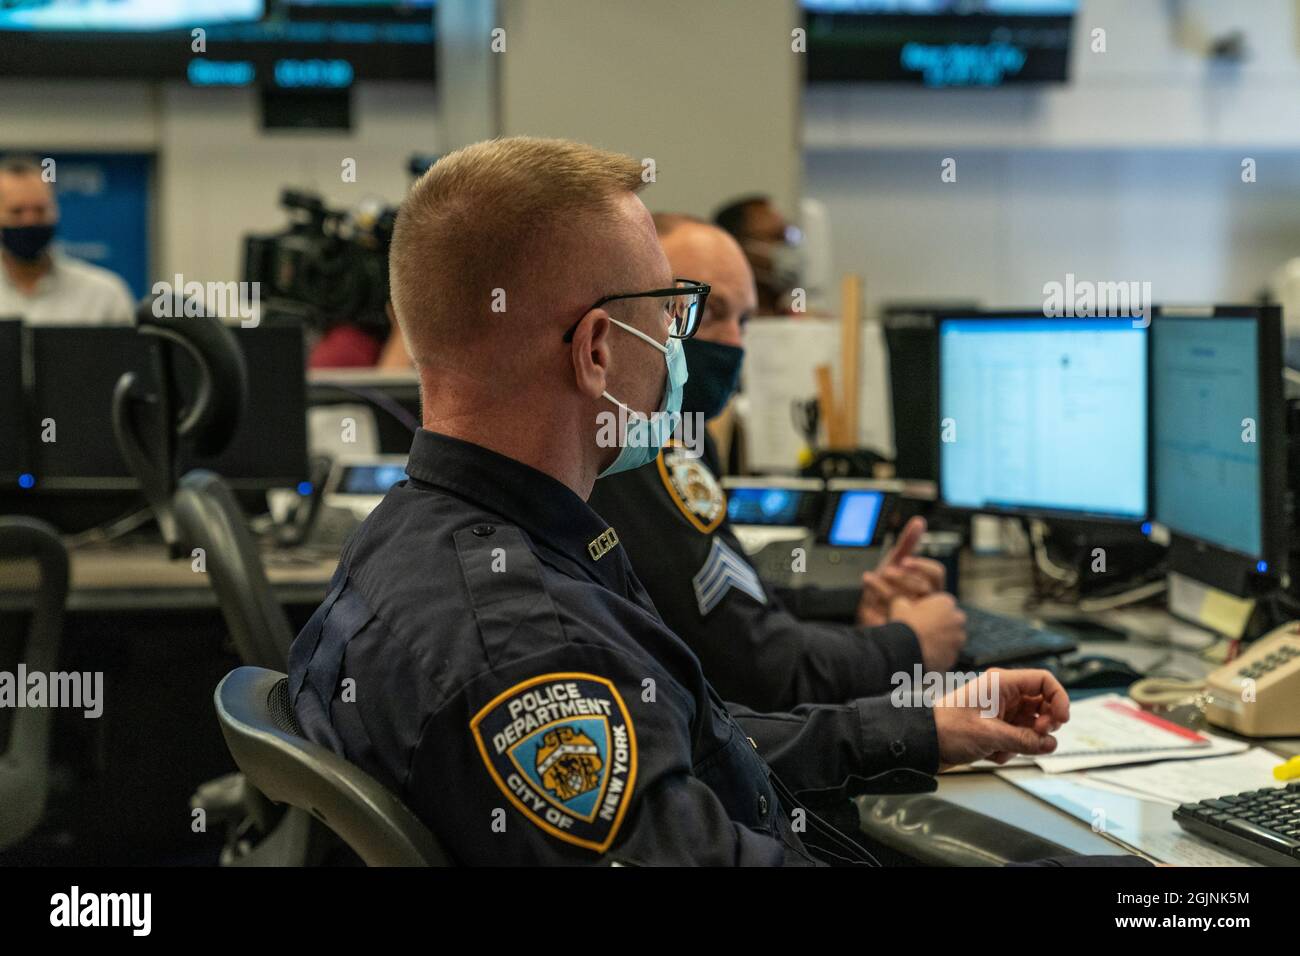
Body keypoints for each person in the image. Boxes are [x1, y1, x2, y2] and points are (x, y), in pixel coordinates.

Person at [288, 136, 1105, 866]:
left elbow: (687, 745)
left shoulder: (424, 536)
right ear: (598, 351)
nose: (682, 347)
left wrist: (920, 730)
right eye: (671, 313)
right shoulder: (533, 654)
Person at [588, 215, 964, 711]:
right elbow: (758, 667)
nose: (734, 341)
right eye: (709, 310)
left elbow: (744, 601)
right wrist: (909, 645)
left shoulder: (684, 439)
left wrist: (857, 602)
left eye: (744, 320)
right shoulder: (629, 452)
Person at [0, 155, 134, 324]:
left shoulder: (104, 296)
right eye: (17, 211)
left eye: (40, 210)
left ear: (55, 211)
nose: (30, 221)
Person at [713, 194, 802, 316]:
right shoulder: (718, 325)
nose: (786, 249)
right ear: (737, 248)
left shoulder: (796, 317)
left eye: (788, 239)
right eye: (775, 237)